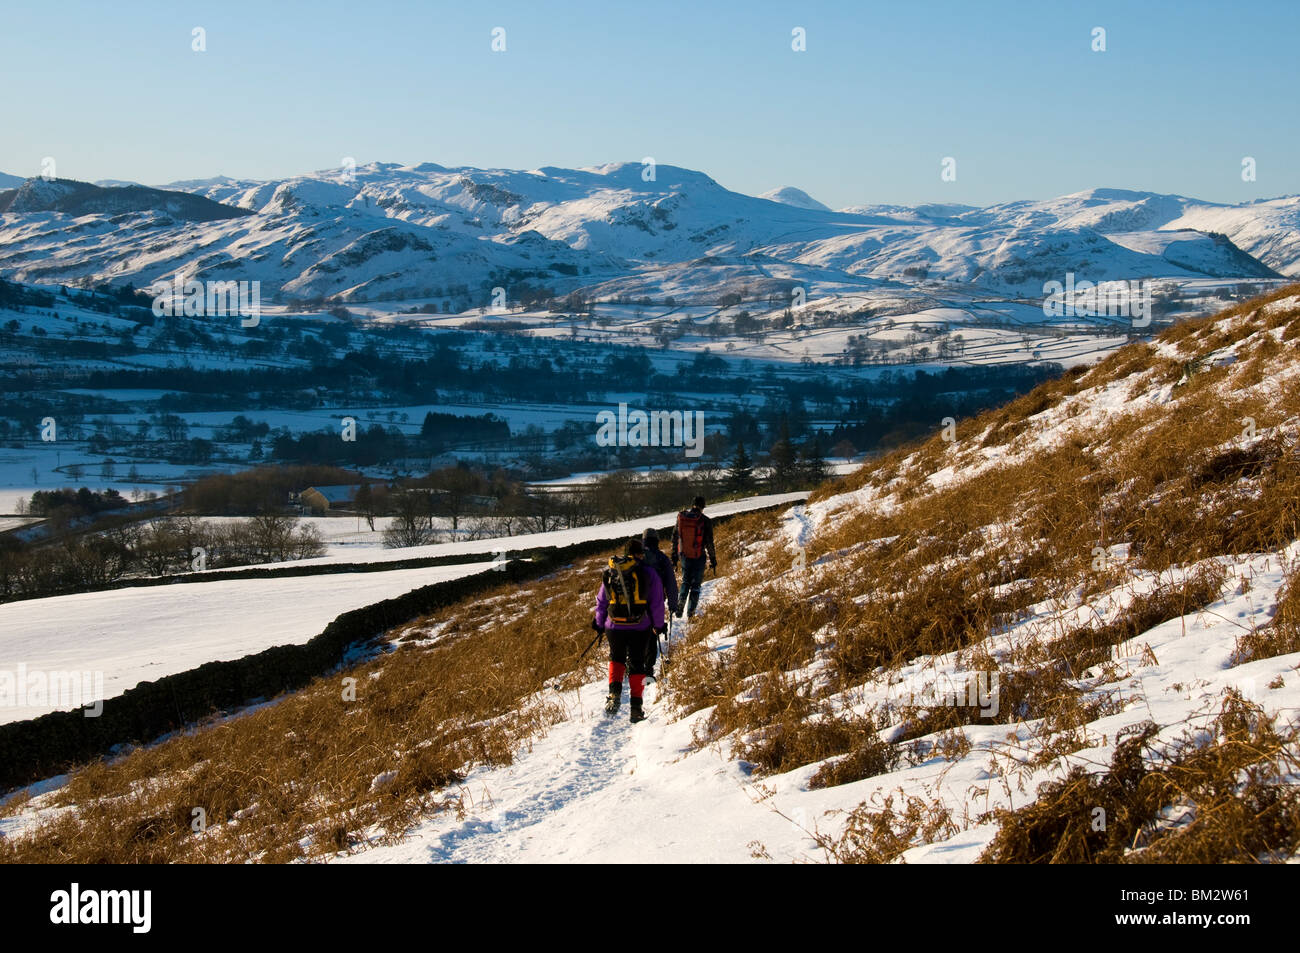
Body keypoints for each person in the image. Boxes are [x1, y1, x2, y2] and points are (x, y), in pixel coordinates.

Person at [592, 538, 665, 723]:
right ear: (641, 553)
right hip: (640, 626)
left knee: (616, 658)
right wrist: (658, 625)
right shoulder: (649, 573)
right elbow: (657, 604)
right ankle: (636, 709)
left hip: (614, 626)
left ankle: (613, 694)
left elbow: (602, 601)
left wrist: (599, 624)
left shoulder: (612, 571)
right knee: (637, 664)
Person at [639, 527, 679, 675]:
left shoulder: (636, 557)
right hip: (656, 602)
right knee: (652, 635)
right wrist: (673, 605)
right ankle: (648, 672)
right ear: (657, 540)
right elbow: (671, 583)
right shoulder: (661, 558)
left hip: (636, 604)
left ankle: (635, 667)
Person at [672, 496, 717, 618]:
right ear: (703, 507)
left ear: (692, 505)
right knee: (696, 585)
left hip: (684, 556)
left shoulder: (682, 518)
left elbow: (675, 538)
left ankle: (680, 605)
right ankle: (691, 612)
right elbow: (709, 542)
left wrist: (674, 558)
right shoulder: (705, 520)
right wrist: (713, 559)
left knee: (686, 581)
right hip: (699, 556)